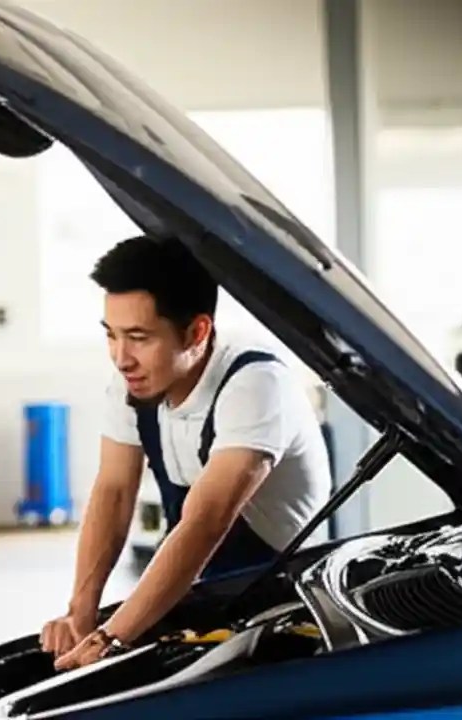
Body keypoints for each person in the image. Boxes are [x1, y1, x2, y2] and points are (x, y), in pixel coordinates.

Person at [40, 235, 332, 670]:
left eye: (138, 337)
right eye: (112, 336)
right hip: (196, 591)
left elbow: (206, 519)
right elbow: (115, 491)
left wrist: (113, 637)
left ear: (197, 331)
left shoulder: (255, 384)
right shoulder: (131, 385)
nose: (121, 359)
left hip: (285, 603)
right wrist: (81, 612)